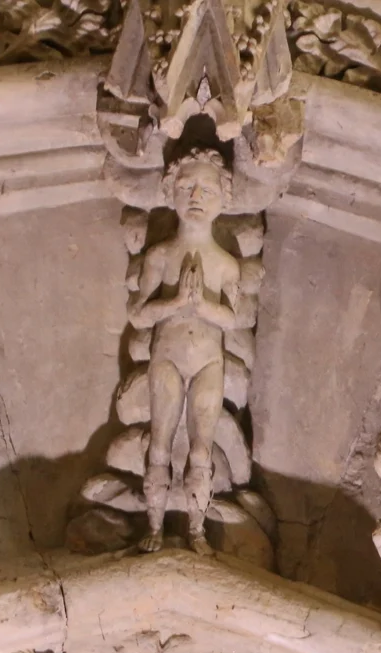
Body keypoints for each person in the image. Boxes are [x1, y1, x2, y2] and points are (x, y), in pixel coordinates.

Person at [128, 149, 241, 554]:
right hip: (168, 357)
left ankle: (197, 530)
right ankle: (155, 527)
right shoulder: (160, 256)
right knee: (160, 441)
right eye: (186, 187)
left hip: (209, 360)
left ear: (224, 199)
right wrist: (176, 304)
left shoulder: (226, 264)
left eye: (207, 189)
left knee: (200, 448)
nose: (196, 196)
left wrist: (203, 307)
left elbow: (233, 318)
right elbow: (138, 314)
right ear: (169, 191)